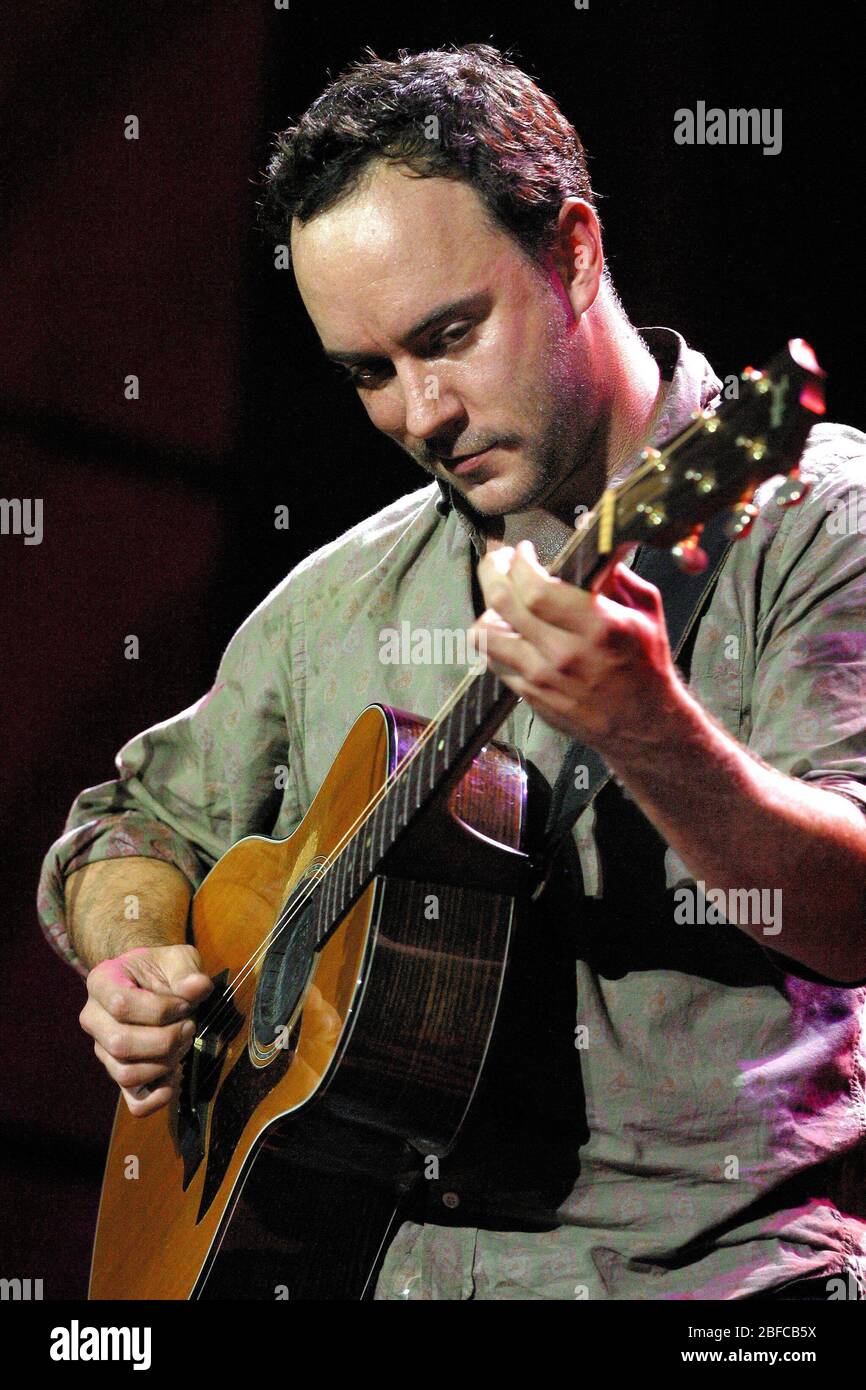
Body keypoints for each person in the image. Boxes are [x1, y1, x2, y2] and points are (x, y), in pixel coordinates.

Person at [38, 43, 866, 1301]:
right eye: (367, 372)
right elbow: (125, 822)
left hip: (724, 1285)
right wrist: (133, 957)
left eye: (448, 336)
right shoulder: (336, 601)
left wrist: (651, 731)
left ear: (574, 252)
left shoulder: (811, 520)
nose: (418, 414)